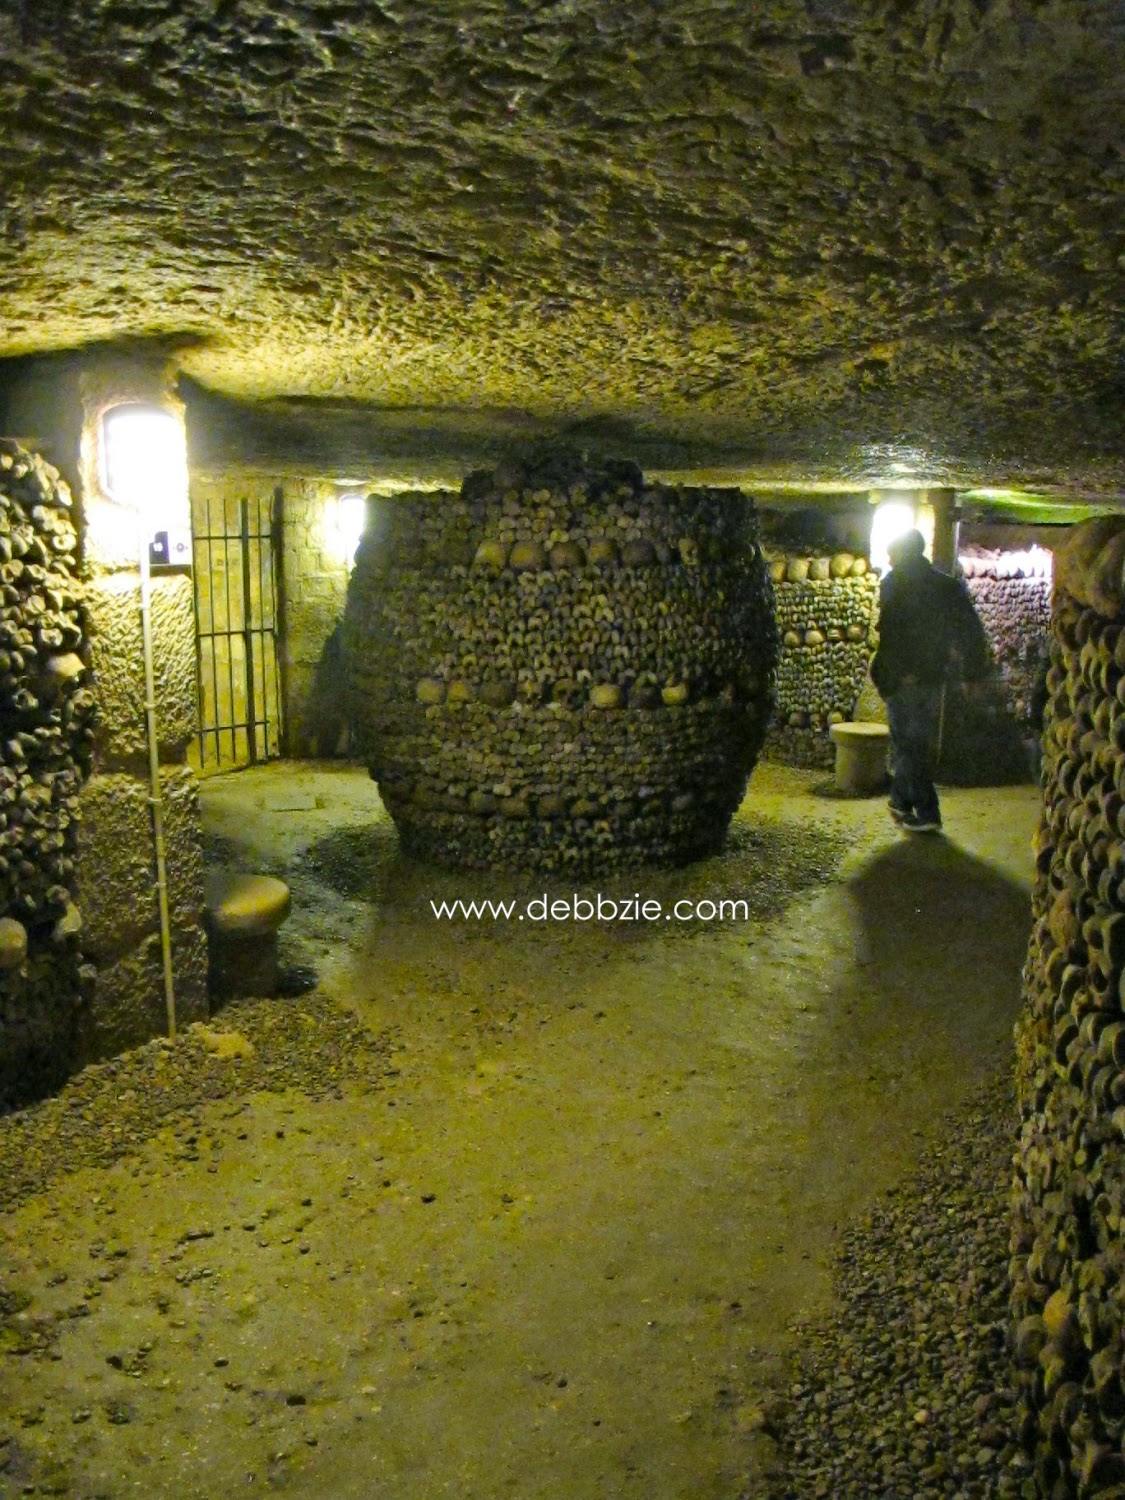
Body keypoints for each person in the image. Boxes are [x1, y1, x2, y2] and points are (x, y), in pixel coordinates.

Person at [869, 529, 990, 833]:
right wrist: (973, 672)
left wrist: (893, 674)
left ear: (902, 553)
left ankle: (927, 812)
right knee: (912, 743)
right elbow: (971, 630)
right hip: (934, 677)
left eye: (892, 554)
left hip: (903, 678)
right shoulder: (948, 586)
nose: (889, 560)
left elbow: (893, 634)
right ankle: (900, 801)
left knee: (910, 746)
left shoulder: (894, 583)